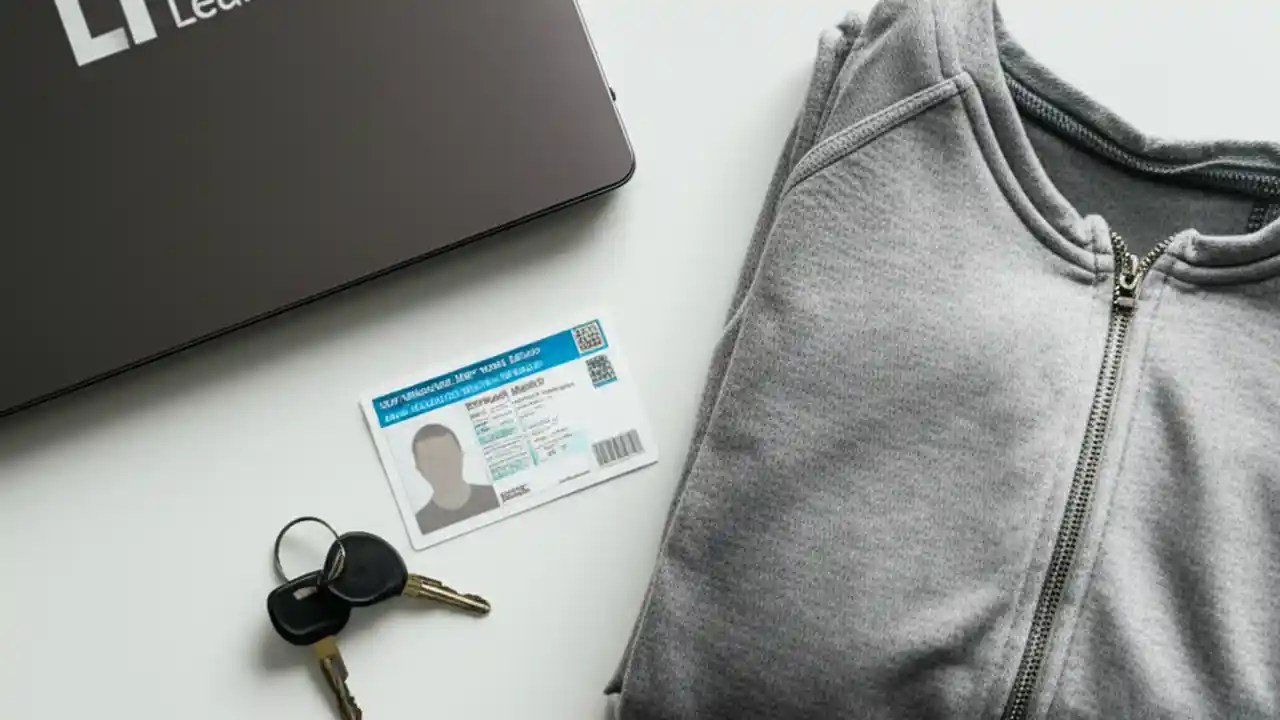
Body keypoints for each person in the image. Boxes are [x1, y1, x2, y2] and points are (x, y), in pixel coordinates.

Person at [410, 423, 499, 535]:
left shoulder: (496, 496)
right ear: (419, 468)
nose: (441, 466)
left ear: (461, 455)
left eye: (446, 455)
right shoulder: (420, 525)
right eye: (431, 460)